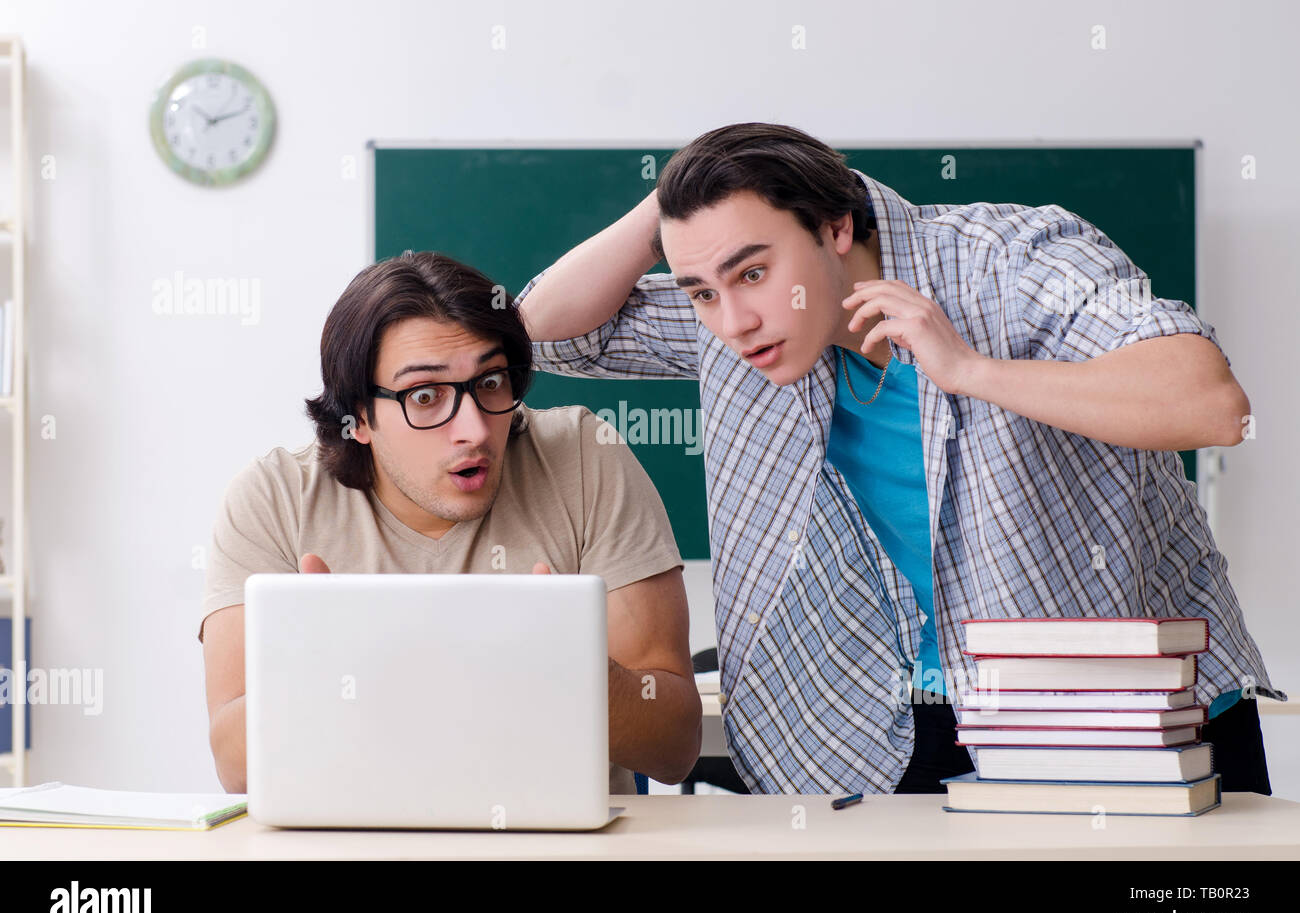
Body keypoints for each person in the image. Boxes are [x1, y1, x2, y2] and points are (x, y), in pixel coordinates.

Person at [516, 122, 1285, 795]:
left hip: (1130, 712)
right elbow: (545, 332)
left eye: (753, 271)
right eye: (699, 291)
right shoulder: (746, 329)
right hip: (900, 726)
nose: (734, 321)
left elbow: (1213, 405)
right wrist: (679, 198)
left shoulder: (1012, 261)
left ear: (837, 227)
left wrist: (970, 371)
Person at [200, 251, 701, 795]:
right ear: (360, 417)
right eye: (425, 395)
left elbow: (674, 747)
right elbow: (234, 766)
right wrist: (330, 669)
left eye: (490, 382)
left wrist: (570, 668)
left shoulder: (584, 456)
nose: (475, 430)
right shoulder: (273, 499)